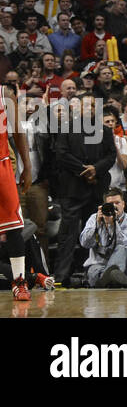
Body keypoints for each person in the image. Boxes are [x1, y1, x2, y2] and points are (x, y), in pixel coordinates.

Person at [1, 86, 33, 300]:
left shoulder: (4, 95)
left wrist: (27, 166)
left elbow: (18, 132)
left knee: (13, 227)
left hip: (1, 166)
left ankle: (20, 281)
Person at [79, 188, 127, 289]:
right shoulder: (94, 218)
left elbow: (123, 244)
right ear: (104, 206)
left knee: (121, 248)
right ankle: (112, 279)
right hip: (99, 266)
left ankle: (107, 279)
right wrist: (97, 224)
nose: (115, 206)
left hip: (124, 267)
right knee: (93, 271)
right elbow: (85, 243)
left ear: (123, 204)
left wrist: (112, 224)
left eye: (117, 203)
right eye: (111, 203)